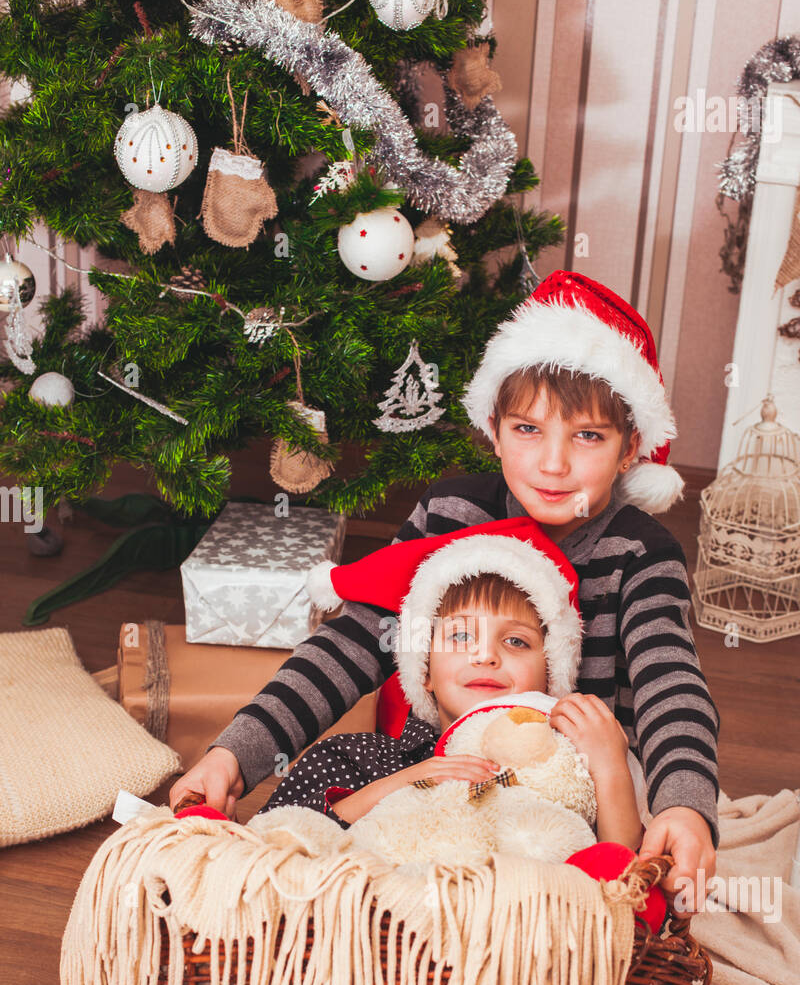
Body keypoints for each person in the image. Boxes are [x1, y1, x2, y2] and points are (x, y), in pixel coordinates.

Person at [169, 269, 720, 908]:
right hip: (435, 767)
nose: (553, 464)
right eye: (528, 429)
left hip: (571, 792)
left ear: (630, 449)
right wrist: (234, 755)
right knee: (338, 820)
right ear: (494, 427)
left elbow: (671, 684)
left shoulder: (642, 553)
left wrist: (685, 806)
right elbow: (354, 643)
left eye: (588, 436)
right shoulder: (451, 511)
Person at [256, 517, 644, 851]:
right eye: (460, 636)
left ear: (549, 675)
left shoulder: (567, 766)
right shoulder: (357, 757)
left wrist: (610, 766)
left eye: (515, 641)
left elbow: (619, 876)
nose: (486, 656)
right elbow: (271, 843)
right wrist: (405, 782)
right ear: (424, 668)